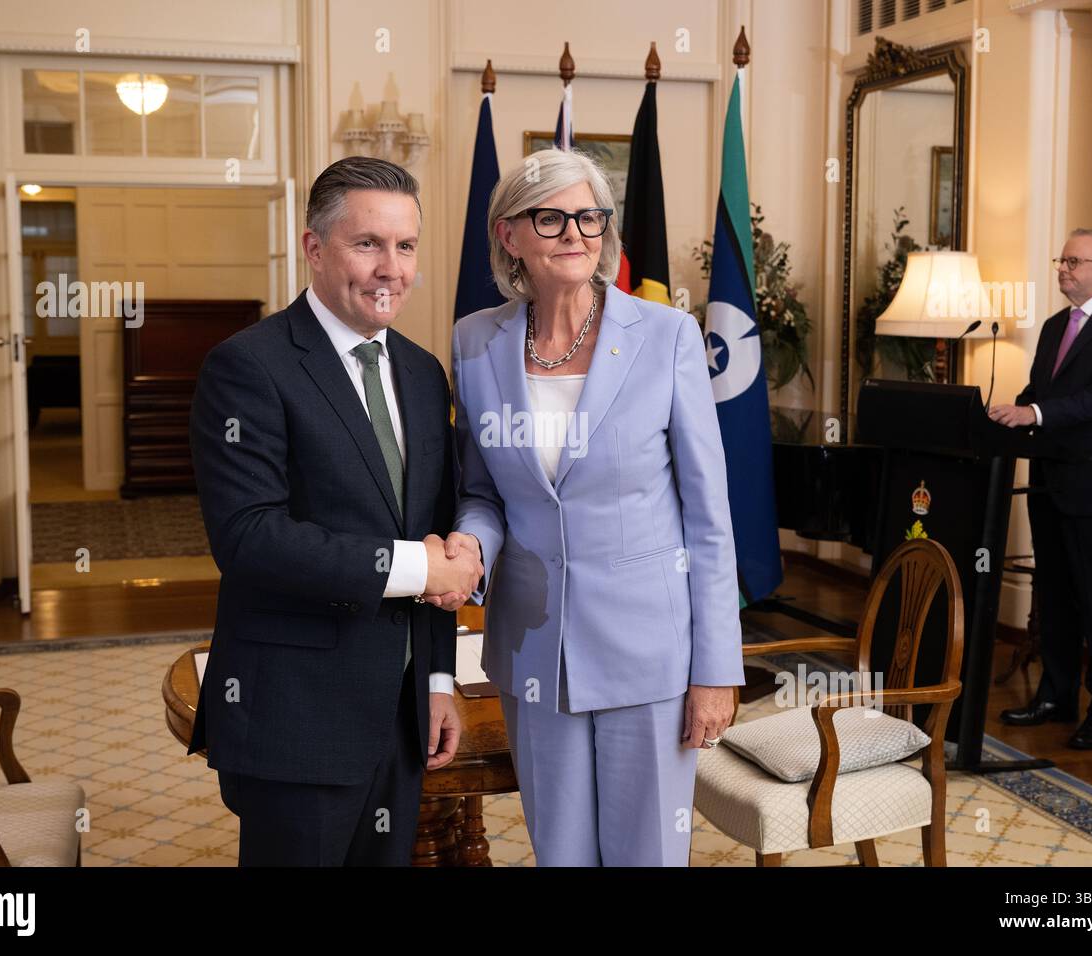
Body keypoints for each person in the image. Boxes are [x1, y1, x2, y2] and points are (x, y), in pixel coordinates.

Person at [432, 148, 745, 865]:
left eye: (589, 216)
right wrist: (471, 548)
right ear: (510, 235)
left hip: (651, 651)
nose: (575, 232)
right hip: (534, 648)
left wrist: (717, 667)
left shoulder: (665, 336)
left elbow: (709, 518)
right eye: (552, 217)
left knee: (645, 854)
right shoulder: (476, 341)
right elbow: (483, 491)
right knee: (561, 850)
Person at [187, 157, 483, 864]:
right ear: (314, 249)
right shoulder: (247, 366)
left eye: (406, 246)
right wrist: (420, 566)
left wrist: (438, 680)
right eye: (368, 244)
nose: (392, 268)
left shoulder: (420, 370)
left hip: (402, 713)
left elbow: (435, 530)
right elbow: (250, 538)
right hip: (296, 717)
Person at [989, 228, 1092, 750]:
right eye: (1062, 260)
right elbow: (1041, 392)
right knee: (1054, 592)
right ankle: (1056, 696)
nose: (1063, 268)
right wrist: (1003, 415)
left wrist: (1033, 412)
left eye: (1073, 261)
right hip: (1051, 479)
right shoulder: (1057, 324)